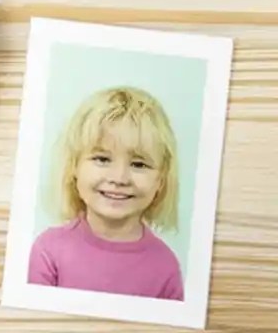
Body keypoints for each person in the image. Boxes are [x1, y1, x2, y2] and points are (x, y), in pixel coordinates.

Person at [28, 86, 184, 300]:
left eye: (138, 164)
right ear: (74, 167)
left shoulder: (166, 267)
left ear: (161, 179)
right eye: (102, 159)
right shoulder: (48, 252)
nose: (119, 178)